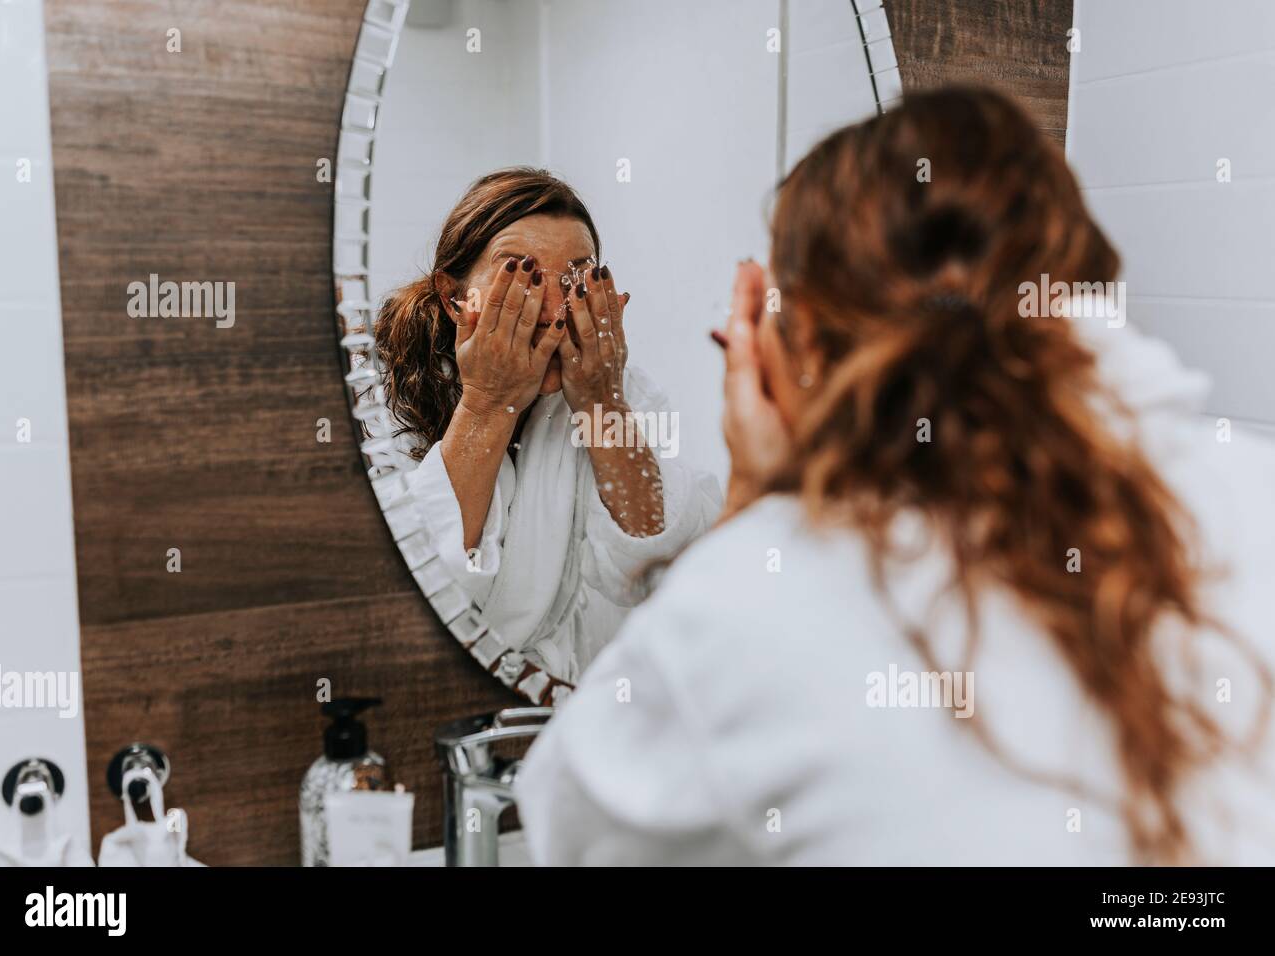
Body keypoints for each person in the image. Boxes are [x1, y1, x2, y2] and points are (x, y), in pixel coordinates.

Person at [515, 88, 1275, 864]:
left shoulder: (756, 601)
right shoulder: (1255, 490)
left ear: (799, 333)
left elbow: (568, 833)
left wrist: (755, 499)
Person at [373, 168, 720, 684]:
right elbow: (412, 597)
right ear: (453, 298)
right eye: (522, 276)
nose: (557, 308)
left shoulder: (614, 385)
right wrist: (489, 404)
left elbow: (663, 568)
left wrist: (602, 402)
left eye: (578, 279)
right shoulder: (382, 400)